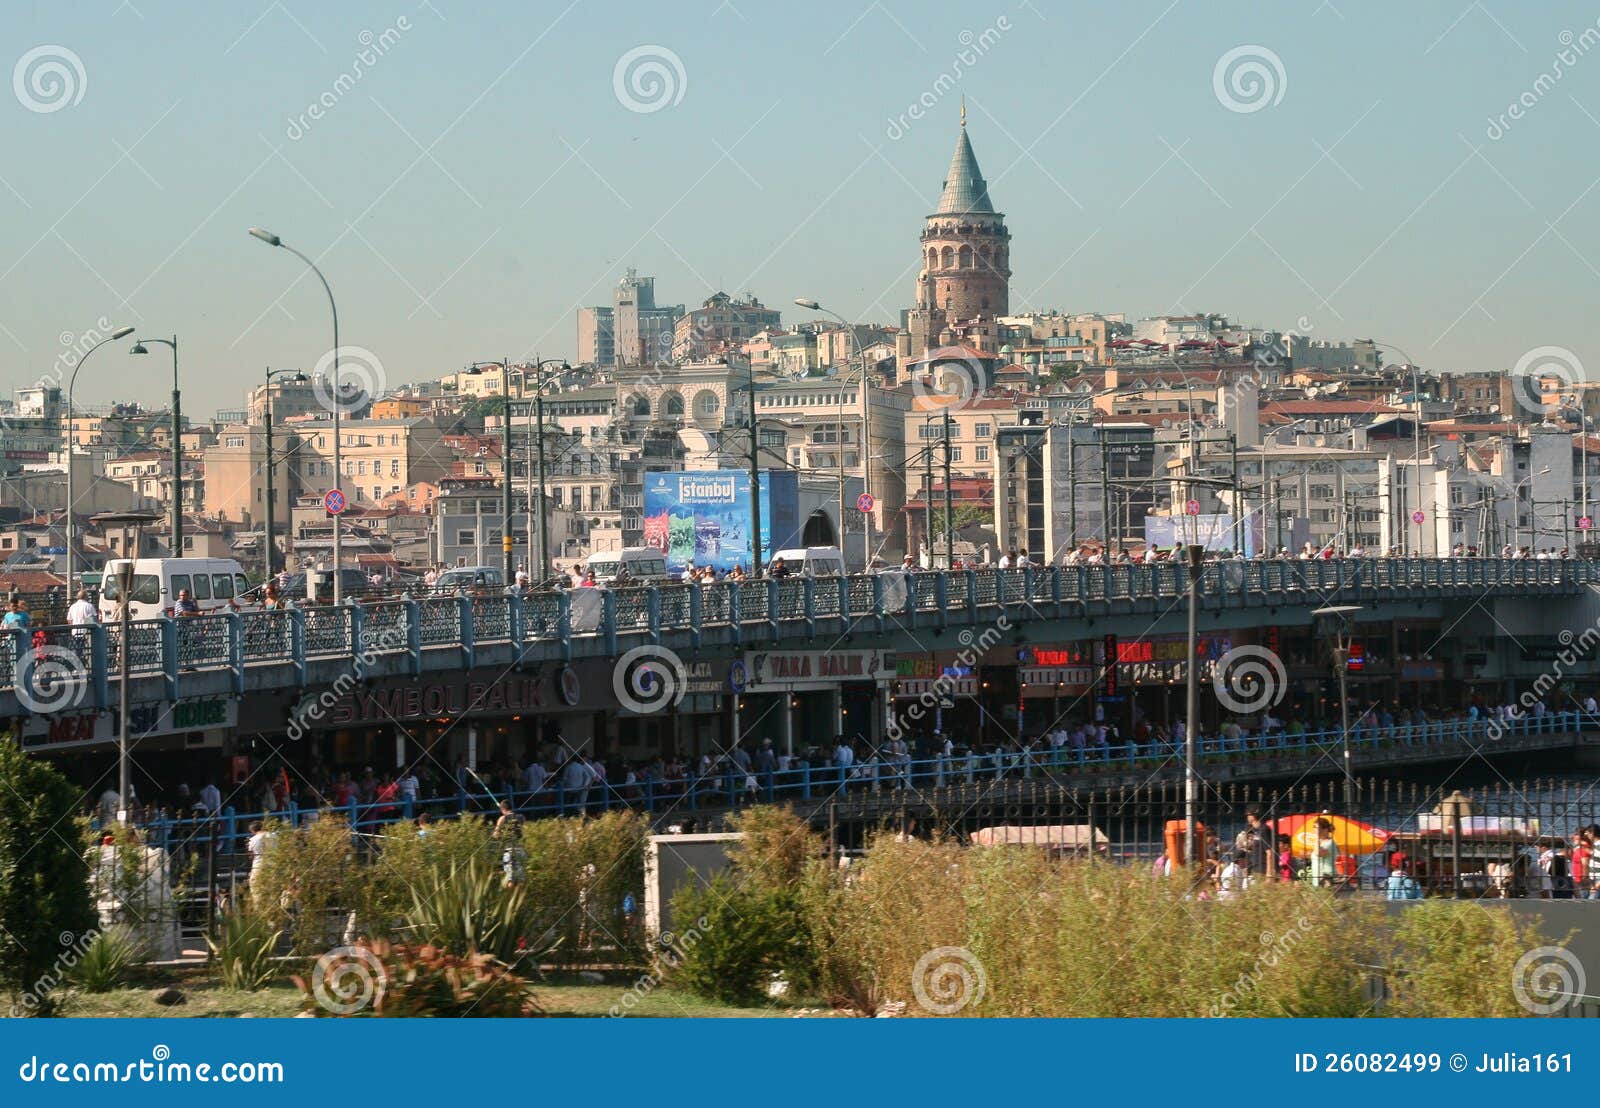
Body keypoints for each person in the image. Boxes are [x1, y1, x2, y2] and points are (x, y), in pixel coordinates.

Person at [1309, 818, 1339, 887]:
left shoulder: (1330, 843)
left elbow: (1319, 853)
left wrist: (1316, 838)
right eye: (1314, 827)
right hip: (1317, 878)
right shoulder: (1320, 842)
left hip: (1327, 878)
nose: (1315, 830)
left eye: (1317, 828)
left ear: (1325, 830)